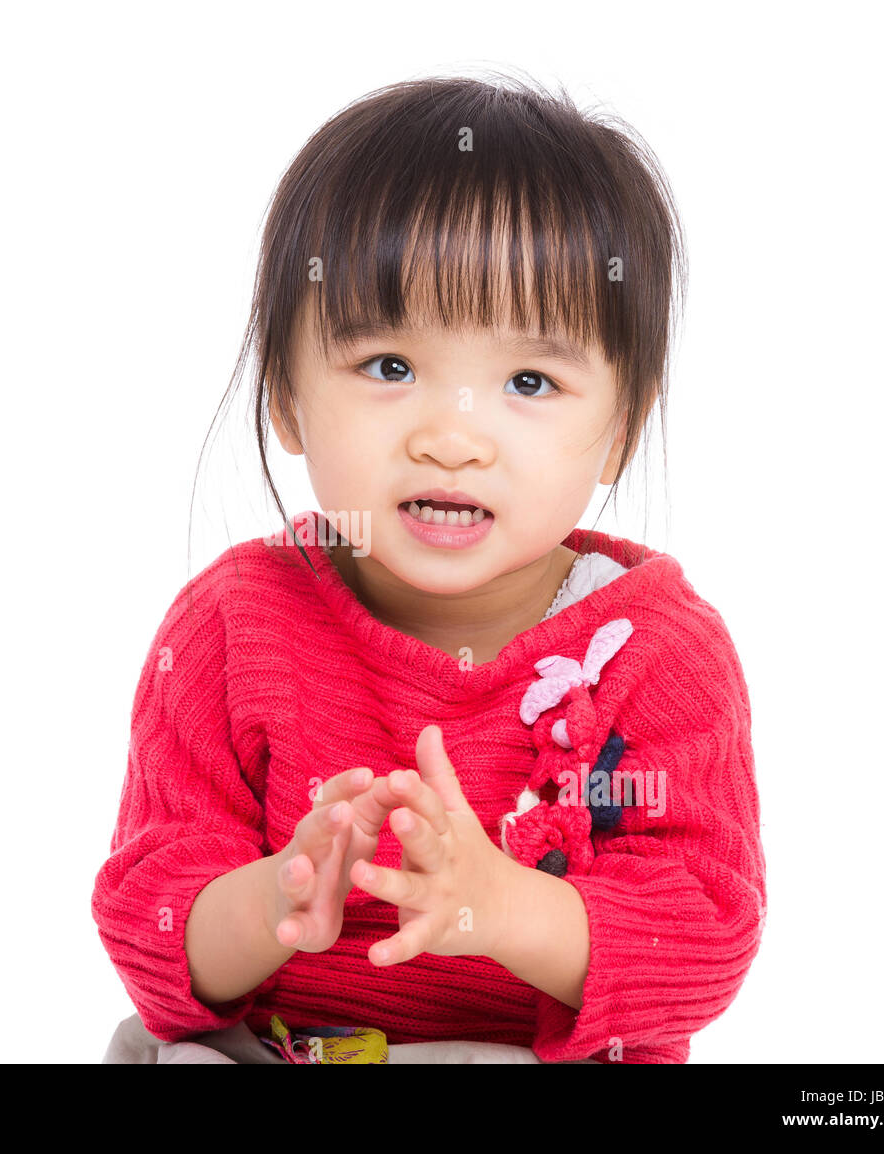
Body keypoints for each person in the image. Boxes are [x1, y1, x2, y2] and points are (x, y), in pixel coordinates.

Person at [91, 69, 766, 1064]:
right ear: (284, 389)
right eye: (389, 367)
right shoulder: (233, 626)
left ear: (619, 427)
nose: (451, 438)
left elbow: (703, 933)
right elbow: (149, 916)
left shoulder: (653, 655)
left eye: (528, 380)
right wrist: (272, 895)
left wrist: (501, 908)